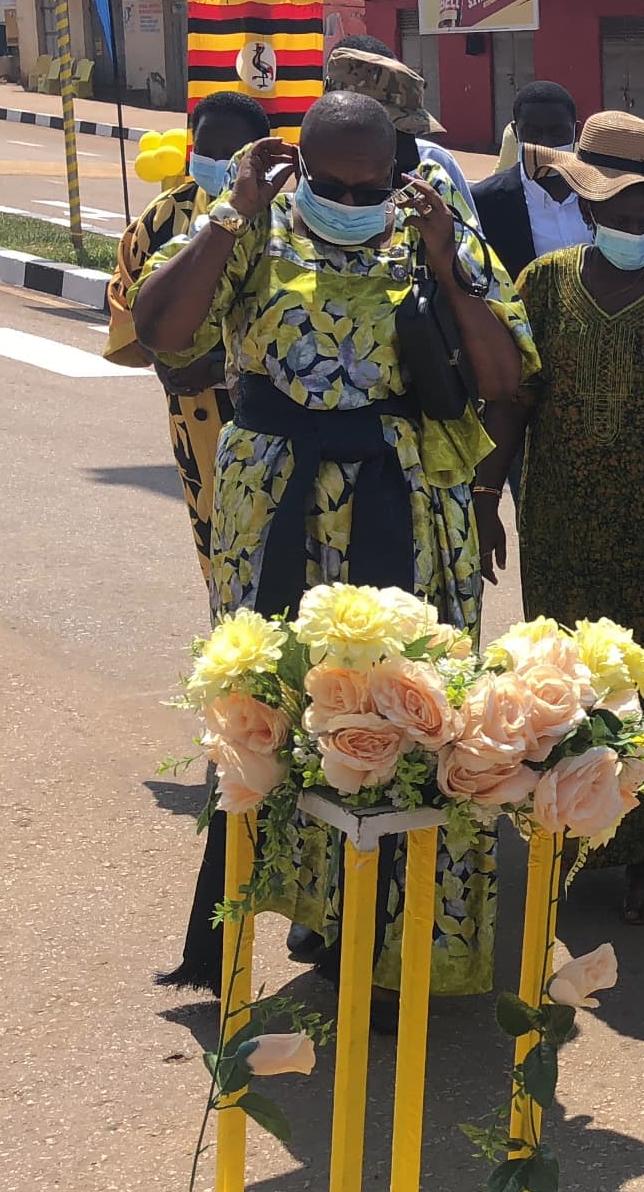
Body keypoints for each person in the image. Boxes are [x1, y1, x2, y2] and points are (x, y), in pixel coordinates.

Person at [132, 91, 536, 1000]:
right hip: (276, 503)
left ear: (398, 170)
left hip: (407, 495)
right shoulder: (253, 223)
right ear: (299, 168)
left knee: (411, 706)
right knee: (276, 704)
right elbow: (162, 331)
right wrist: (232, 210)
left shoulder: (428, 227)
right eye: (333, 184)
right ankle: (312, 906)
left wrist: (443, 259)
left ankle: (402, 945)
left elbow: (506, 372)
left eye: (373, 183)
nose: (353, 201)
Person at [473, 113, 644, 927]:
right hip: (562, 524)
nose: (637, 229)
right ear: (588, 208)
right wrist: (487, 498)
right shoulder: (544, 285)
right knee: (565, 687)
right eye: (620, 214)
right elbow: (512, 403)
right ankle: (565, 835)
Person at [105, 90, 274, 991]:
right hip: (204, 445)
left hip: (259, 443)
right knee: (229, 602)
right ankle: (236, 748)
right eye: (211, 149)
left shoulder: (280, 213)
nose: (221, 163)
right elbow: (142, 335)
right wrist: (207, 355)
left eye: (233, 151)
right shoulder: (160, 223)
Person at [326, 35, 472, 203]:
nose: (412, 158)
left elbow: (470, 227)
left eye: (410, 132)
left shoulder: (435, 163)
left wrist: (449, 228)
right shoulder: (312, 174)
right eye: (393, 133)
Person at [472, 81, 583, 281]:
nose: (545, 144)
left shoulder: (602, 195)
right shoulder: (485, 202)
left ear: (577, 132)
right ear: (516, 133)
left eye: (557, 132)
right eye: (532, 133)